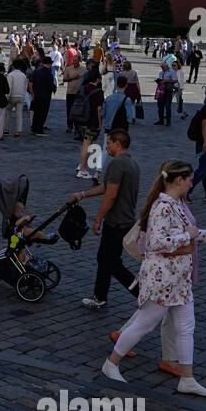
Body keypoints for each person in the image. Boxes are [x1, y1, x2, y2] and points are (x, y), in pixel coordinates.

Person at [102, 159, 206, 396]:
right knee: (144, 324)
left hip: (179, 279)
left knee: (186, 327)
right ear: (179, 180)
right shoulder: (163, 207)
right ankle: (111, 363)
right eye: (190, 180)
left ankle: (187, 379)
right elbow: (155, 243)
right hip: (162, 280)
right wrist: (185, 238)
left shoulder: (176, 203)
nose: (192, 184)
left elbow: (191, 233)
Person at [74, 130, 141, 311]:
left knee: (111, 262)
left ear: (118, 144)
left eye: (109, 143)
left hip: (116, 222)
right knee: (105, 259)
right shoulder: (132, 163)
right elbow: (106, 186)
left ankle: (141, 293)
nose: (107, 147)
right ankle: (99, 297)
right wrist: (83, 194)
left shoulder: (116, 164)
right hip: (126, 220)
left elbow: (110, 195)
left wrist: (98, 219)